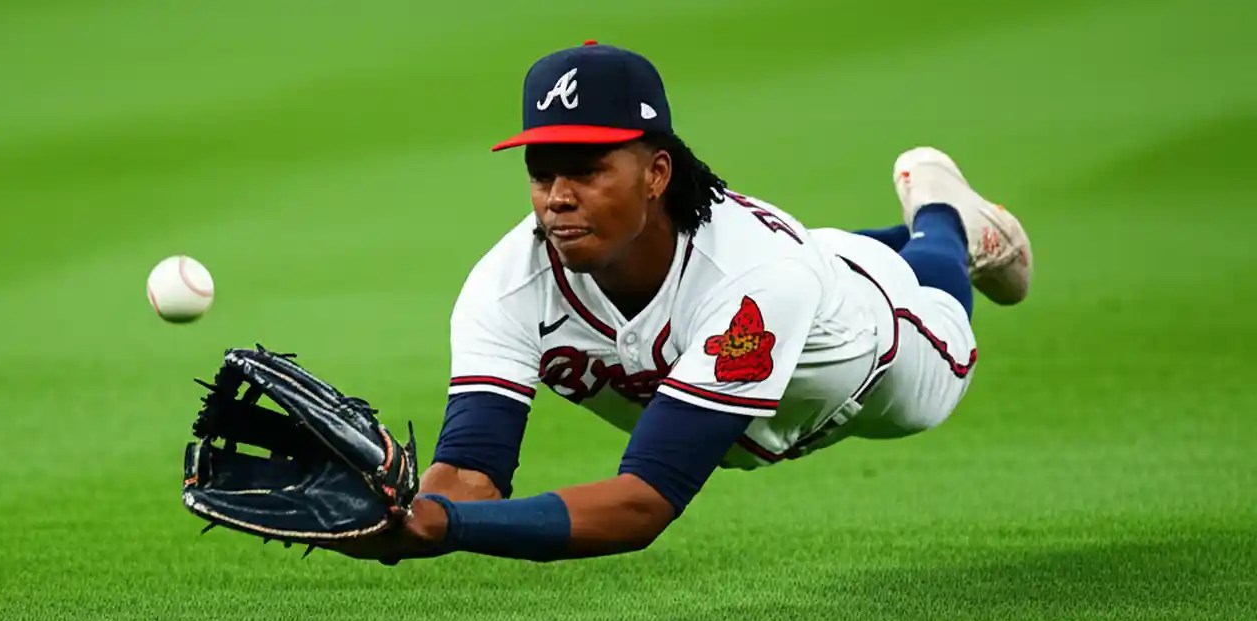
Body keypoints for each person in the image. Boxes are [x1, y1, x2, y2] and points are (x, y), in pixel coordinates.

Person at [330, 40, 1032, 564]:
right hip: (784, 267)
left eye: (587, 169)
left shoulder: (757, 278)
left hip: (878, 352)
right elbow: (472, 476)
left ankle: (943, 214)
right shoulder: (505, 285)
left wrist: (442, 527)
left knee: (935, 303)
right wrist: (396, 514)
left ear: (656, 171)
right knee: (802, 256)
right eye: (542, 174)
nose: (558, 196)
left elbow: (642, 504)